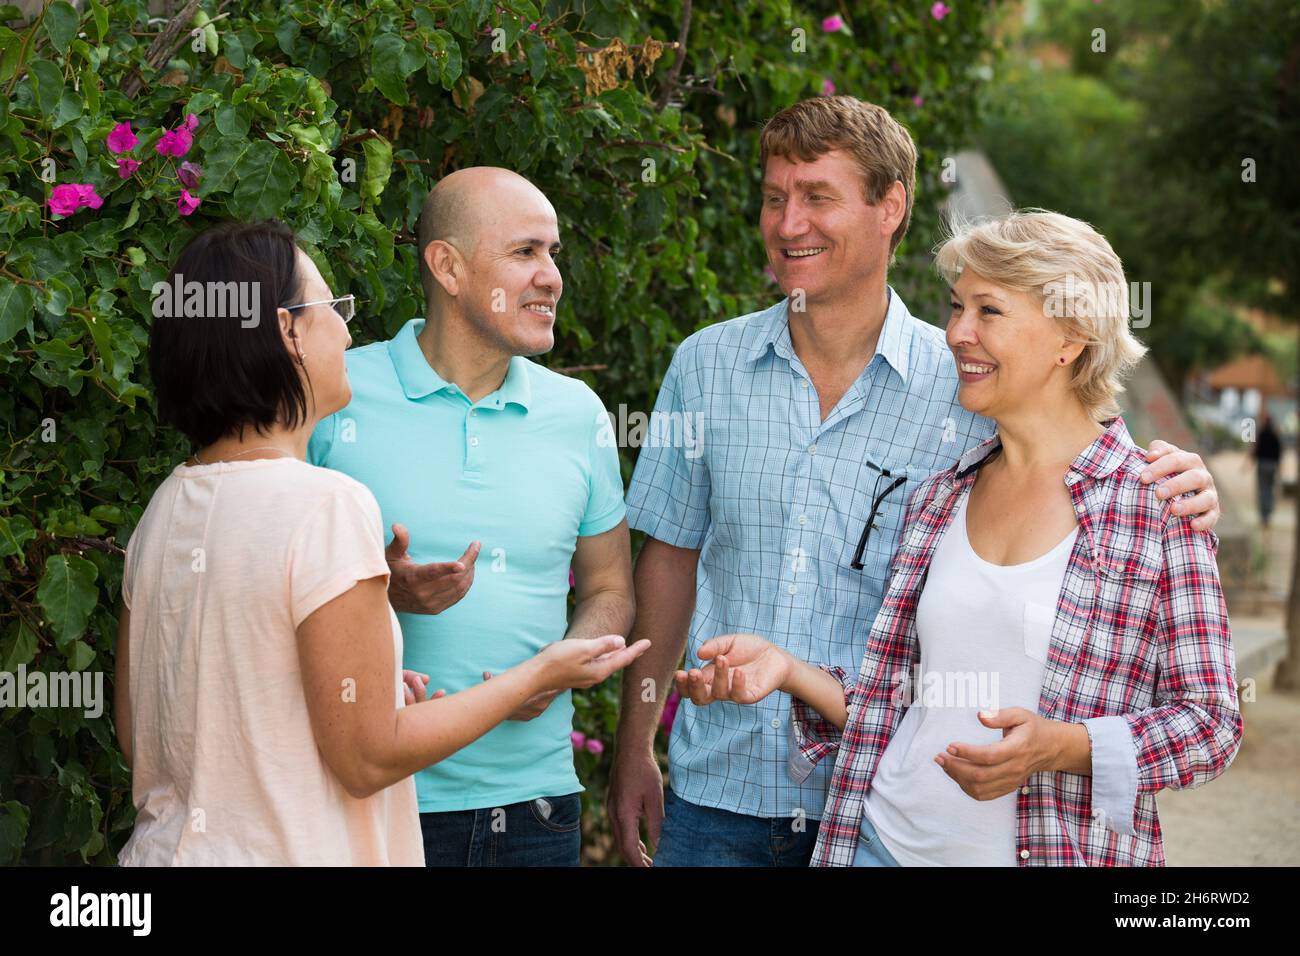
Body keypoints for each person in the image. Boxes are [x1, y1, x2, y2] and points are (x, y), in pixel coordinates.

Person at [609, 96, 1224, 868]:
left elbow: (1076, 439)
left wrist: (1171, 477)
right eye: (774, 198)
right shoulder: (706, 366)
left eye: (818, 197)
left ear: (890, 207)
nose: (788, 222)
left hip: (866, 797)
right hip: (727, 791)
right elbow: (669, 559)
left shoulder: (972, 386)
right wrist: (634, 743)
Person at [116, 220, 647, 866]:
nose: (346, 329)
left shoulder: (166, 509)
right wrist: (539, 674)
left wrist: (370, 695)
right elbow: (369, 756)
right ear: (287, 332)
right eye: (332, 309)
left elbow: (144, 734)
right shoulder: (326, 505)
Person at [308, 168, 636, 866]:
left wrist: (551, 669)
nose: (551, 275)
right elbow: (262, 586)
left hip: (537, 811)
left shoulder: (577, 415)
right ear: (448, 266)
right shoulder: (335, 393)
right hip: (376, 801)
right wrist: (380, 591)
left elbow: (611, 592)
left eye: (553, 254)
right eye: (525, 252)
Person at [1253, 410, 1282, 528]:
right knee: (1269, 491)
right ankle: (1268, 516)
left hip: (1262, 465)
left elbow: (1256, 450)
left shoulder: (1261, 434)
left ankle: (1263, 516)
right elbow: (1280, 453)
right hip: (1272, 466)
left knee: (1262, 490)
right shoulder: (1276, 435)